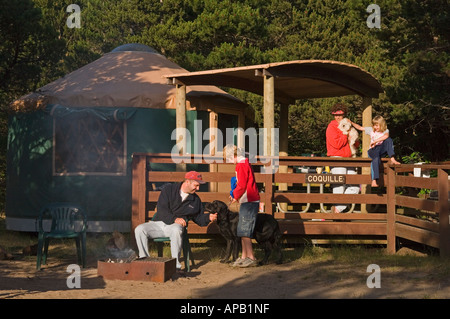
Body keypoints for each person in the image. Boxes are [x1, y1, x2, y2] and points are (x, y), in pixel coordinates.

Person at [134, 171, 217, 272]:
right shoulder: (169, 190)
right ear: (187, 182)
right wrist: (174, 218)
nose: (198, 188)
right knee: (139, 229)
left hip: (175, 227)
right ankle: (145, 262)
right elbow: (162, 210)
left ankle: (175, 266)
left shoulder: (195, 200)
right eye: (196, 185)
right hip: (158, 223)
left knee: (177, 230)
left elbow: (198, 218)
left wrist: (208, 217)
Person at [224, 144, 260, 267]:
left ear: (234, 155)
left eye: (228, 158)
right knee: (242, 230)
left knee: (245, 230)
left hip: (249, 201)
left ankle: (251, 257)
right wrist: (235, 195)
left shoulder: (241, 165)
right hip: (246, 200)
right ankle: (245, 256)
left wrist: (234, 196)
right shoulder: (243, 164)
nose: (228, 161)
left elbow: (242, 185)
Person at [326, 103, 360, 213]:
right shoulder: (331, 127)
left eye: (340, 115)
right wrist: (345, 135)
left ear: (344, 114)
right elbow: (337, 144)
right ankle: (338, 214)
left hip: (349, 158)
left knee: (355, 187)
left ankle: (337, 209)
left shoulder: (348, 124)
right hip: (337, 158)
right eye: (336, 115)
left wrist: (353, 139)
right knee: (339, 186)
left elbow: (356, 144)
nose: (338, 117)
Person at [351, 115, 400, 187]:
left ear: (382, 125)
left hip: (381, 149)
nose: (375, 127)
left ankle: (392, 158)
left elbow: (386, 136)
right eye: (374, 125)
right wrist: (351, 122)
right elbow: (360, 128)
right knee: (376, 158)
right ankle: (374, 180)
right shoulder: (371, 130)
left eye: (377, 125)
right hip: (372, 150)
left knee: (388, 140)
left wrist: (375, 141)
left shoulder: (386, 131)